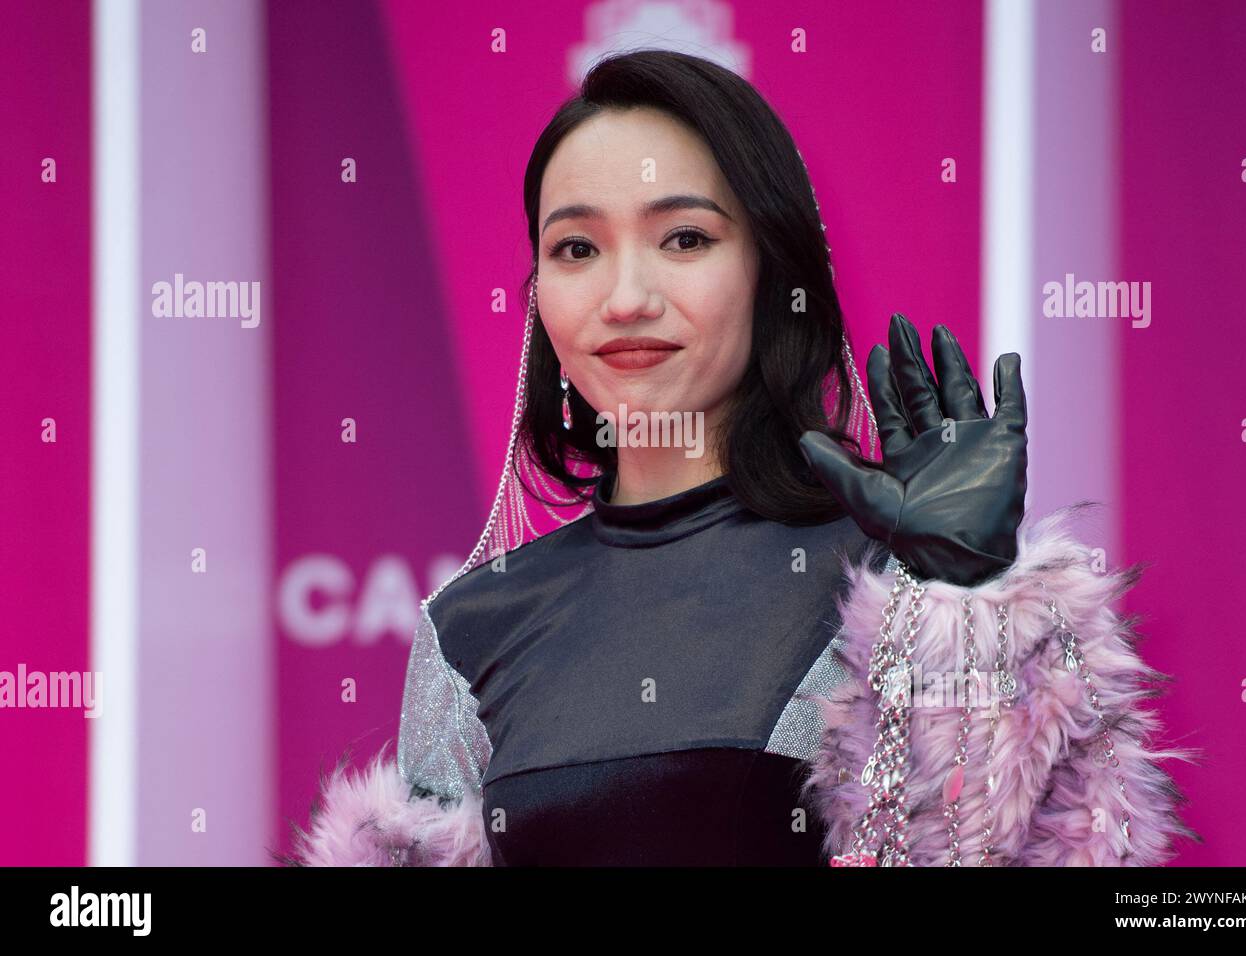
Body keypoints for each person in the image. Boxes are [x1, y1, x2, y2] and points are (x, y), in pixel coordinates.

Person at [281, 50, 1199, 867]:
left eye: (684, 238)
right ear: (538, 298)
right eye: (576, 248)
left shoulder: (887, 584)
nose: (627, 296)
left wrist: (977, 608)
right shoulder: (468, 630)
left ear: (773, 277)